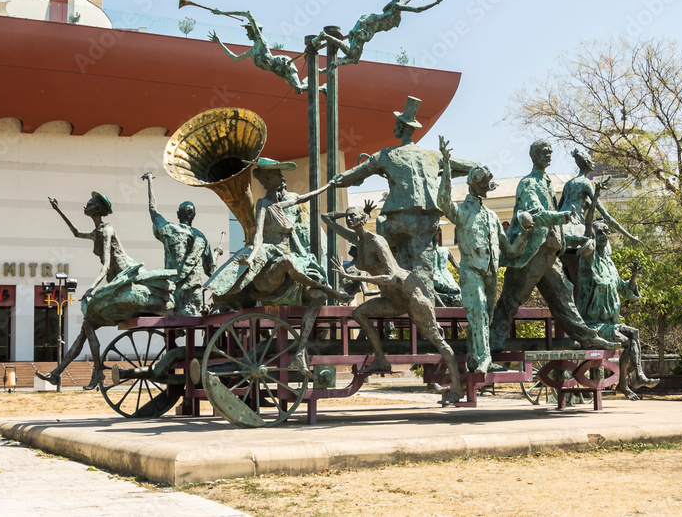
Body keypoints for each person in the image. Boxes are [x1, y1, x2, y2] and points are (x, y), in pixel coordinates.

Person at [204, 158, 351, 378]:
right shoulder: (263, 204)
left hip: (292, 258)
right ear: (266, 180)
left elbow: (307, 197)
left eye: (281, 174)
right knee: (286, 263)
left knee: (318, 295)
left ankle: (300, 353)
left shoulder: (288, 202)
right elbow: (258, 238)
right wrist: (251, 257)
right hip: (272, 255)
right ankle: (333, 292)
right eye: (276, 175)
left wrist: (329, 185)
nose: (281, 178)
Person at [328, 96, 478, 303]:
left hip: (399, 221)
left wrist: (337, 180)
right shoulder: (432, 156)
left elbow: (356, 173)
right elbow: (469, 167)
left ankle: (379, 286)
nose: (393, 130)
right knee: (419, 264)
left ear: (400, 127)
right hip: (428, 222)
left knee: (378, 234)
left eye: (395, 125)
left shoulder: (386, 155)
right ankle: (418, 299)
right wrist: (472, 170)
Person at [489, 140, 622, 353]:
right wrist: (563, 217)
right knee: (510, 300)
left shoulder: (548, 182)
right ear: (534, 156)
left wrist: (568, 237)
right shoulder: (528, 183)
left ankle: (589, 338)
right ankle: (490, 346)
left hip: (549, 252)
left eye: (550, 152)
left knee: (564, 297)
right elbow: (535, 213)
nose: (548, 156)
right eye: (544, 152)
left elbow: (555, 216)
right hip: (530, 254)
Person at [327, 202, 464, 404]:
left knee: (437, 341)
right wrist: (352, 211)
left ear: (363, 220)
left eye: (353, 216)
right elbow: (326, 218)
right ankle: (381, 359)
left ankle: (457, 389)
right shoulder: (357, 240)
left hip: (410, 294)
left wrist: (357, 279)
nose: (348, 219)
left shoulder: (376, 241)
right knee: (359, 313)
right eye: (347, 217)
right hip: (393, 299)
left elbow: (392, 277)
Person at [36, 192, 175, 389]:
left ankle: (93, 372)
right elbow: (76, 232)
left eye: (91, 203)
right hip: (114, 277)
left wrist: (91, 289)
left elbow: (106, 265)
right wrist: (58, 210)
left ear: (98, 209)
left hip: (123, 276)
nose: (87, 205)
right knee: (87, 325)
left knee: (87, 325)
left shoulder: (106, 230)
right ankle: (60, 373)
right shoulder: (97, 231)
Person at [437, 136, 530, 373]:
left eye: (488, 181)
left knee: (484, 319)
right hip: (471, 271)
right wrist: (446, 168)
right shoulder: (463, 211)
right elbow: (443, 203)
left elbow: (508, 250)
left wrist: (525, 235)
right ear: (472, 183)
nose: (486, 185)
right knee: (477, 312)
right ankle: (484, 361)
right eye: (482, 181)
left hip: (490, 274)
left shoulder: (491, 216)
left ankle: (473, 359)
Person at [576, 181, 658, 400]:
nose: (605, 235)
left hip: (611, 322)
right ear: (594, 236)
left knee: (634, 333)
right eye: (601, 232)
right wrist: (596, 197)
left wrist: (634, 276)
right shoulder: (589, 261)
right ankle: (627, 382)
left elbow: (626, 290)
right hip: (594, 324)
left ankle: (636, 376)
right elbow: (588, 223)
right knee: (626, 341)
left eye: (607, 233)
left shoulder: (610, 264)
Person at [319, 0, 443, 67]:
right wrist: (435, 3)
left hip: (369, 24)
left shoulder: (399, 3)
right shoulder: (397, 5)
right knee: (353, 56)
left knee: (354, 58)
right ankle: (326, 37)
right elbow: (417, 10)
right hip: (368, 27)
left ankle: (334, 64)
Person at [142, 172, 215, 316]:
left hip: (172, 291)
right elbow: (211, 271)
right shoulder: (201, 238)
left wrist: (150, 181)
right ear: (193, 216)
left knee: (172, 326)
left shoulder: (168, 229)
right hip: (193, 293)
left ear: (177, 214)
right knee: (192, 325)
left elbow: (153, 210)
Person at [208, 10, 308, 94]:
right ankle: (322, 86)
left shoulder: (262, 41)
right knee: (298, 90)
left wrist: (222, 12)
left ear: (254, 30)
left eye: (248, 31)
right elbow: (234, 58)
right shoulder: (252, 51)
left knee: (298, 89)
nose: (247, 34)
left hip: (283, 64)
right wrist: (219, 42)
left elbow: (247, 14)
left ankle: (321, 86)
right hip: (277, 70)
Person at [557, 148, 639, 247]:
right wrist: (630, 237)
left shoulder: (568, 183)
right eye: (591, 161)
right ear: (587, 163)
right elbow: (606, 215)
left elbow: (558, 208)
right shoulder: (585, 182)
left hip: (561, 221)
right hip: (574, 223)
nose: (594, 163)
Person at [431, 232, 462, 307]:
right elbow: (457, 267)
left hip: (439, 280)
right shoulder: (445, 250)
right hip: (447, 281)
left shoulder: (443, 250)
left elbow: (457, 267)